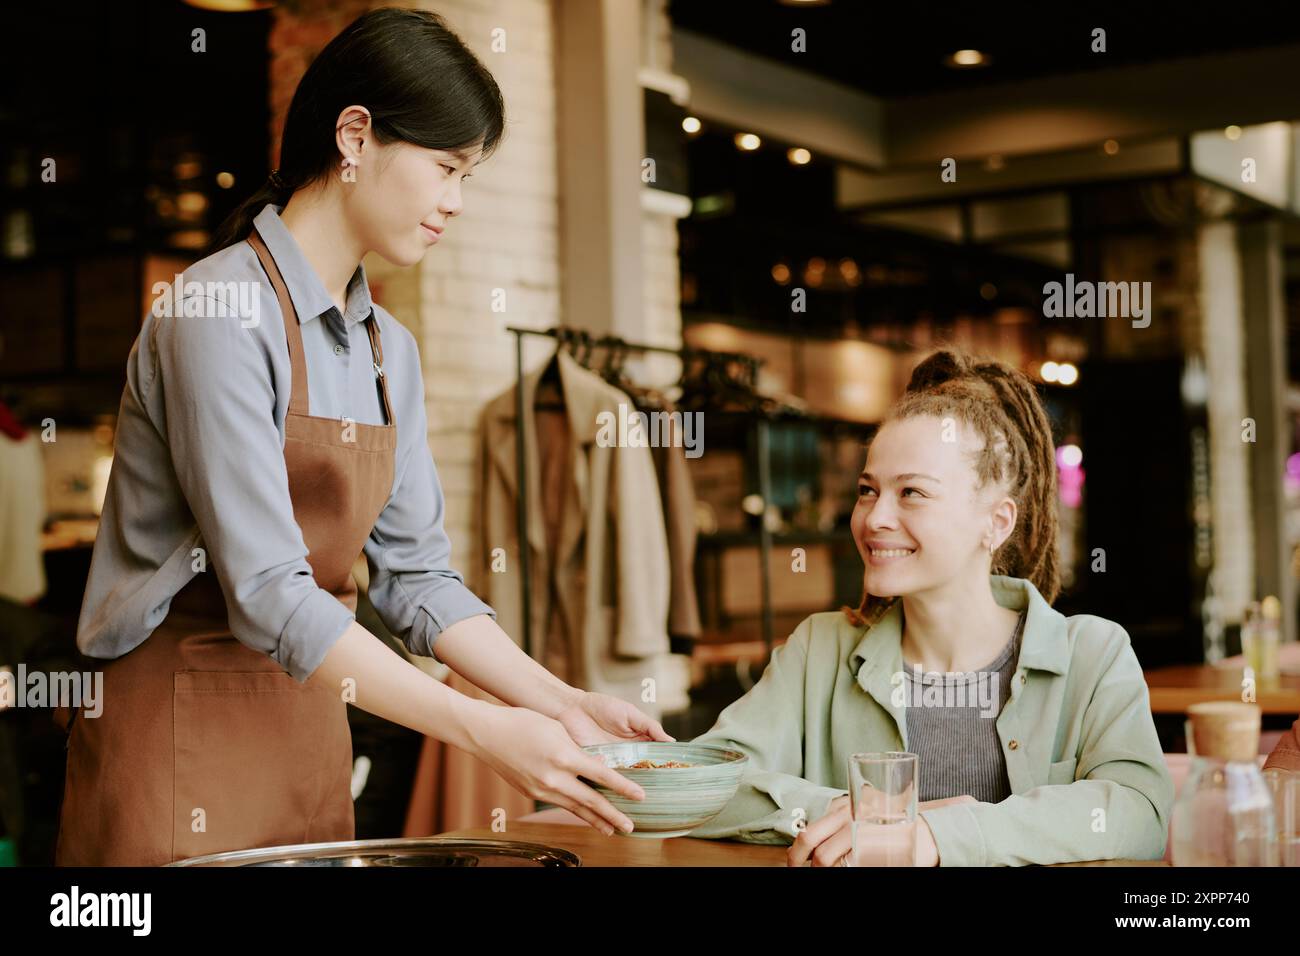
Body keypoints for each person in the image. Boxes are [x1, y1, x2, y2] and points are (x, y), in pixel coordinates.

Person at [56, 8, 667, 867]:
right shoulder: (217, 311)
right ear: (355, 137)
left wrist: (559, 700)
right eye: (446, 167)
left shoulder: (390, 350)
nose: (455, 202)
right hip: (179, 730)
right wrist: (486, 729)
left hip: (309, 727)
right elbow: (269, 591)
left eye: (471, 176)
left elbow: (418, 582)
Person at [688, 348, 1174, 866]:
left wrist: (942, 835)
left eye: (912, 493)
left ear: (997, 521)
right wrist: (862, 815)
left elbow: (1139, 812)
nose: (875, 518)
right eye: (867, 491)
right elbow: (704, 784)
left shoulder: (1093, 654)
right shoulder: (818, 650)